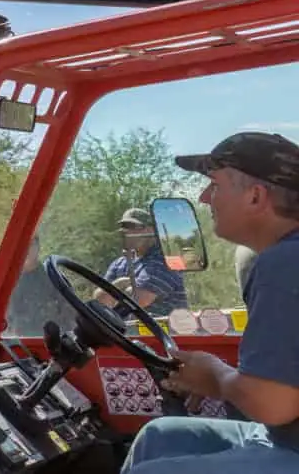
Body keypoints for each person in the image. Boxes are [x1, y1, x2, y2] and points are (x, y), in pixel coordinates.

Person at [120, 131, 299, 470]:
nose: (203, 197)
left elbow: (272, 405)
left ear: (256, 197)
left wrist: (216, 376)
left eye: (214, 185)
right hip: (287, 437)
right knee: (160, 437)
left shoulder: (285, 263)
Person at [98, 207, 188, 317]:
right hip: (128, 332)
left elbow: (140, 299)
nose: (125, 231)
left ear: (151, 230)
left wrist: (112, 293)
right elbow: (100, 302)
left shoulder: (166, 260)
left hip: (162, 332)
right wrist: (121, 283)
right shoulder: (119, 263)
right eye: (123, 226)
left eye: (133, 227)